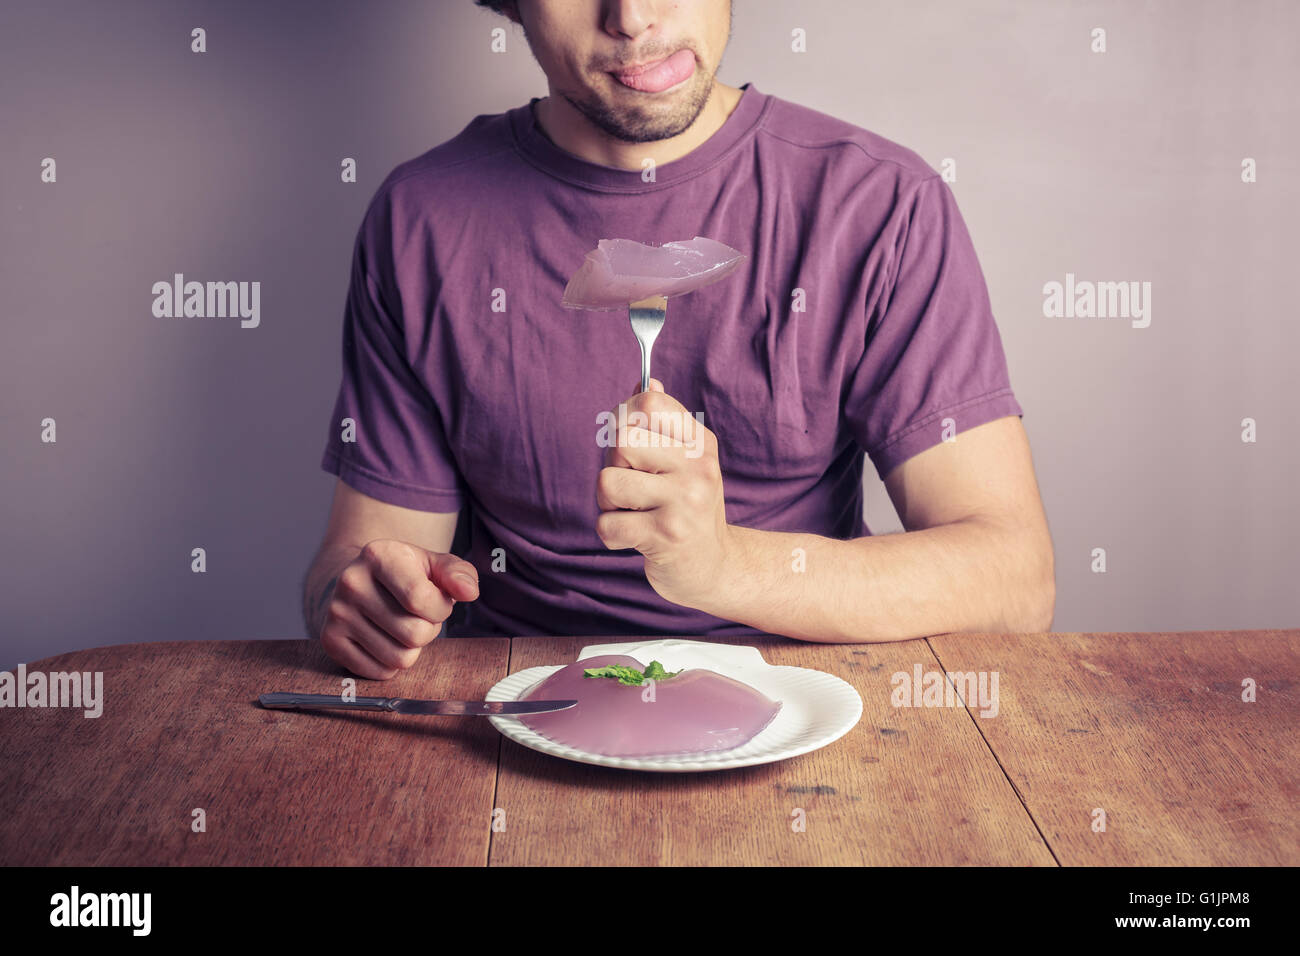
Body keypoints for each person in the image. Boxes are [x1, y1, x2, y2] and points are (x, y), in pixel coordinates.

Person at [302, 0, 1055, 680]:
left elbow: (1014, 579)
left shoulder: (880, 207)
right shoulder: (421, 219)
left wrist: (721, 566)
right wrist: (360, 598)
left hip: (801, 713)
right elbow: (360, 556)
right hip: (515, 722)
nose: (630, 16)